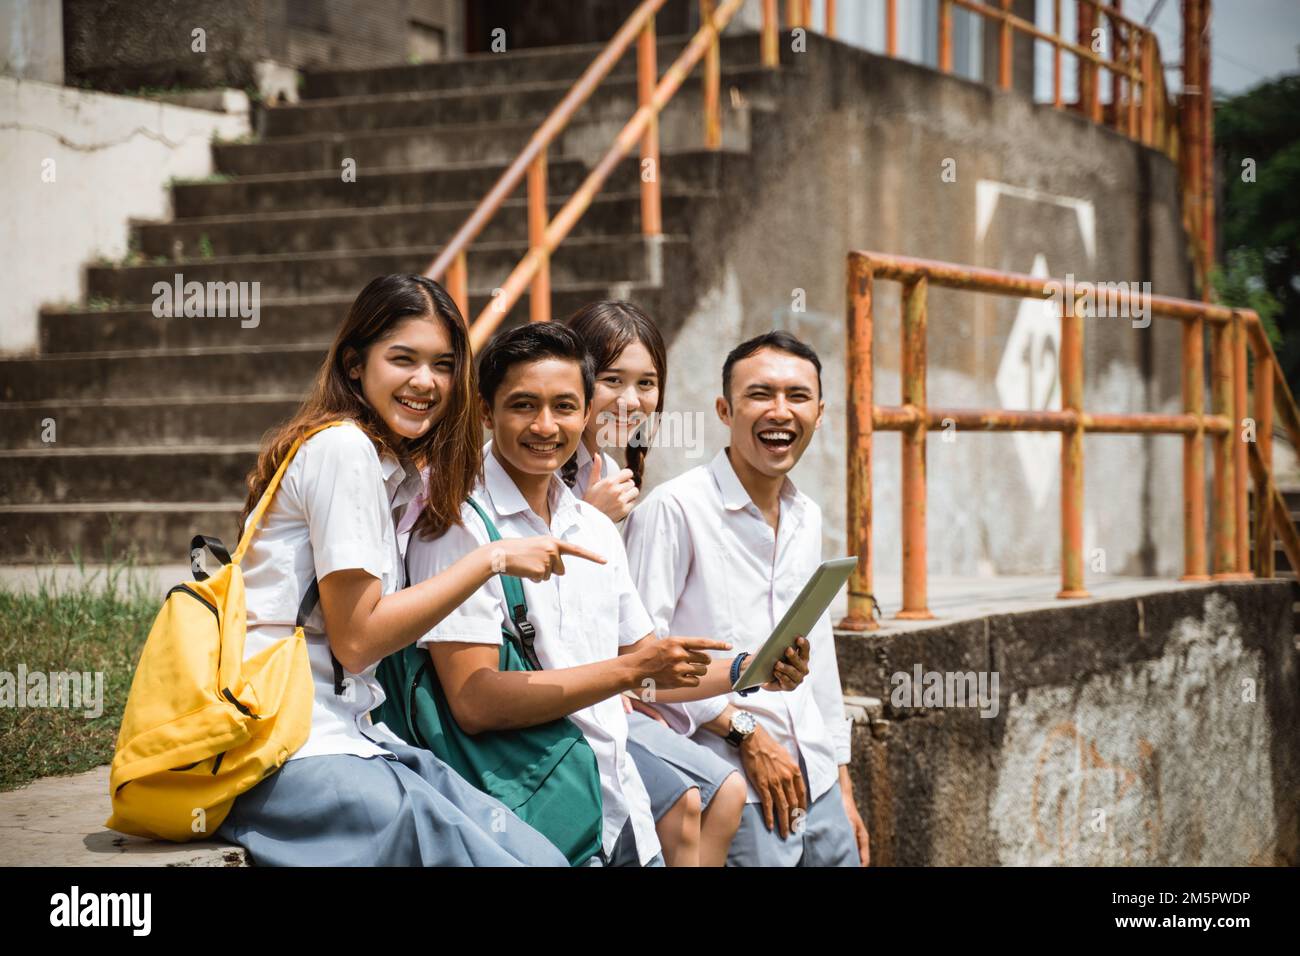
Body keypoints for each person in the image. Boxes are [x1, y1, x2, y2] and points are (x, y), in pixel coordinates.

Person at [405, 321, 810, 867]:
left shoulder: (592, 527)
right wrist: (626, 674)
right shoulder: (458, 525)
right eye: (524, 405)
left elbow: (650, 673)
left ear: (585, 411)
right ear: (485, 410)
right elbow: (475, 702)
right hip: (530, 811)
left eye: (565, 406)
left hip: (617, 799)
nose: (546, 425)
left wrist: (751, 668)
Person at [216, 274, 577, 867]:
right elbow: (358, 641)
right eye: (402, 359)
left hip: (352, 735)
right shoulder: (343, 450)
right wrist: (489, 560)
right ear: (356, 365)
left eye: (441, 364)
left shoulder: (386, 466)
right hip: (288, 747)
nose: (425, 382)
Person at [623, 330, 872, 867]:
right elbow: (638, 668)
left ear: (820, 413)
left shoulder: (807, 515)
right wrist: (744, 730)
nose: (780, 411)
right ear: (724, 409)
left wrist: (844, 789)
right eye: (760, 394)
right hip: (733, 790)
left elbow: (819, 659)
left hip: (819, 784)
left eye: (798, 397)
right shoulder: (673, 511)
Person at [562, 301, 748, 867]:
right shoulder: (565, 475)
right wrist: (586, 520)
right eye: (612, 380)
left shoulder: (605, 472)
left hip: (618, 689)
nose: (631, 400)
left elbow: (636, 644)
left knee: (727, 791)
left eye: (646, 383)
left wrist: (746, 672)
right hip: (567, 697)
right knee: (688, 801)